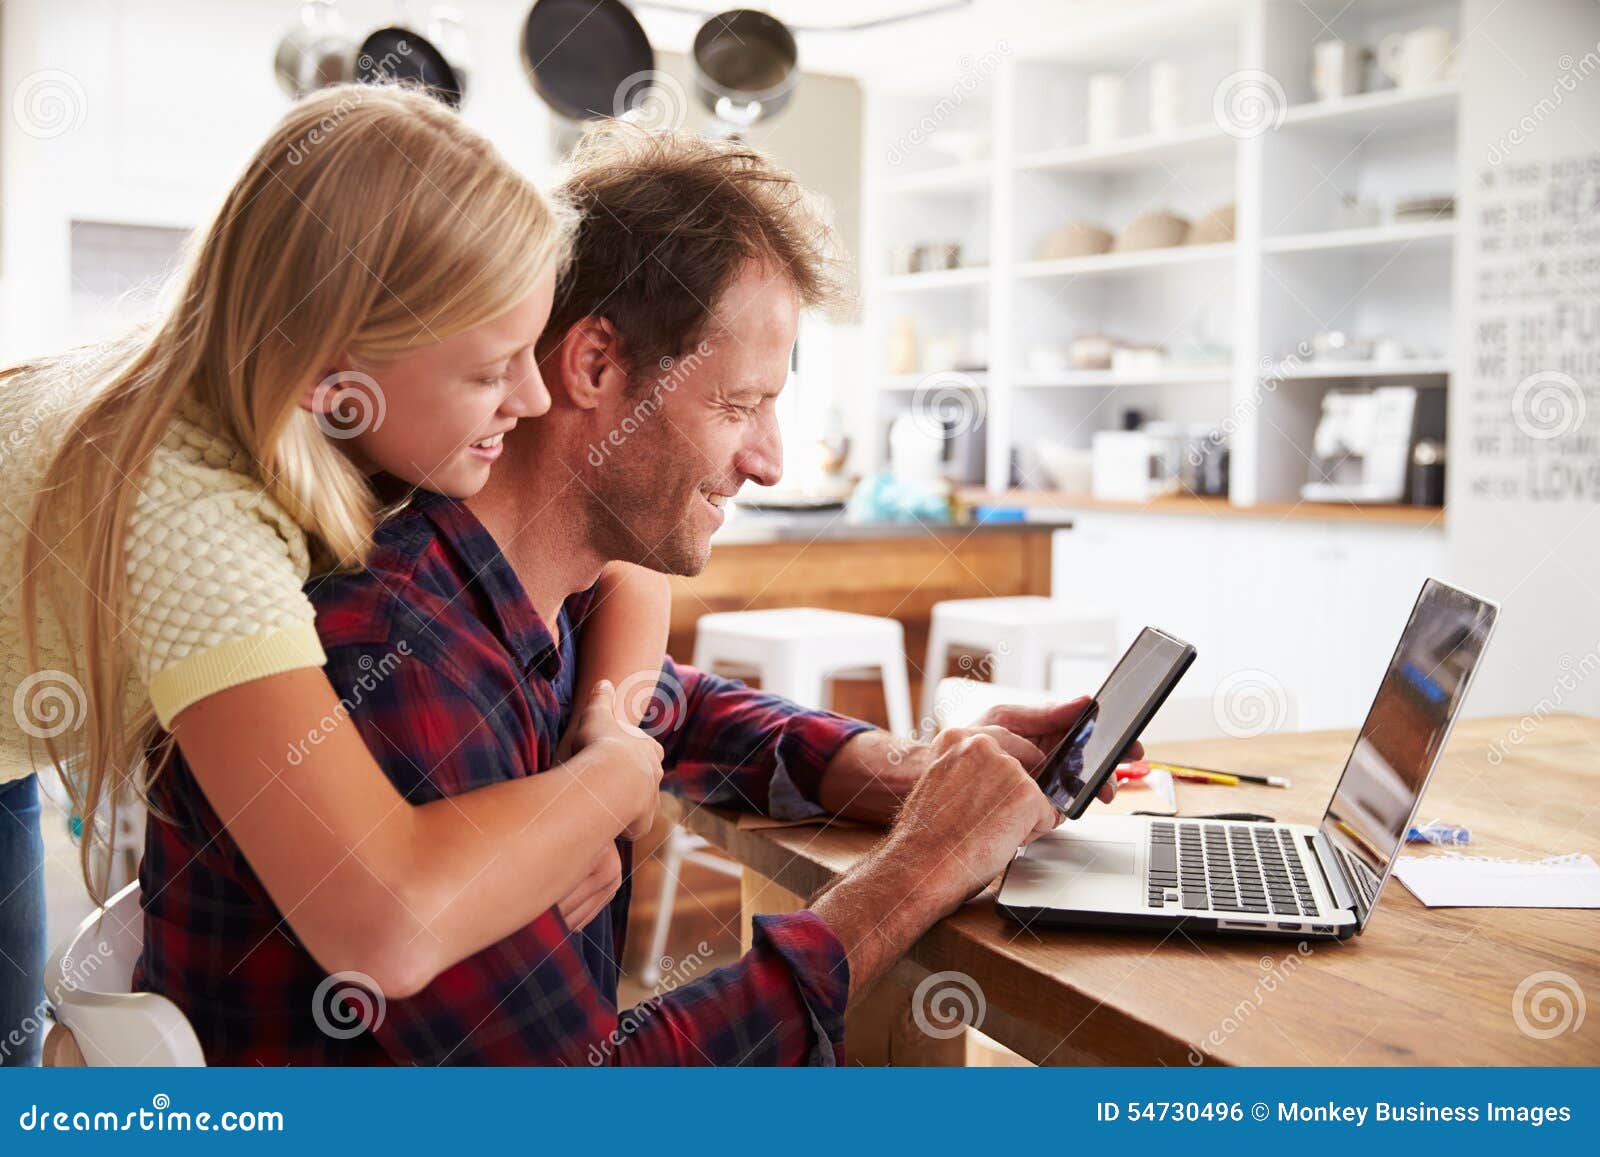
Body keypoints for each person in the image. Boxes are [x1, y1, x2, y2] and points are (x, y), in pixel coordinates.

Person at [137, 122, 1123, 1065]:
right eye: (739, 404)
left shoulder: (531, 596)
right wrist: (921, 867)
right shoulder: (395, 655)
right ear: (596, 366)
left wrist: (896, 770)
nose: (770, 461)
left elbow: (668, 705)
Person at [0, 84, 670, 1067]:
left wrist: (597, 735)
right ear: (331, 373)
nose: (531, 397)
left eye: (531, 353)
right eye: (490, 370)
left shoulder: (262, 395)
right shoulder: (194, 522)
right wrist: (611, 781)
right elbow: (381, 923)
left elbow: (621, 562)